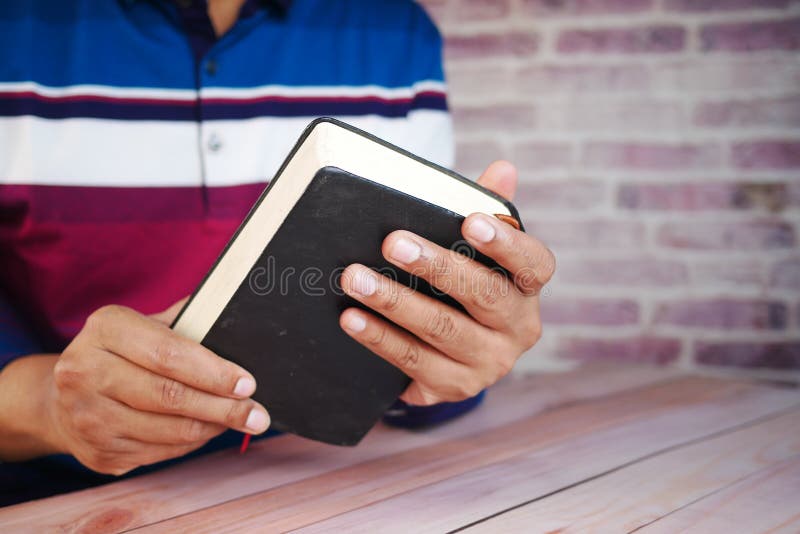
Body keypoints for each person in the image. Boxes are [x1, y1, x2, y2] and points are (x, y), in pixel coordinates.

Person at [0, 0, 555, 503]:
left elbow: (414, 340)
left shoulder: (393, 28)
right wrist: (49, 406)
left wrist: (462, 343)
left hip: (322, 484)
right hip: (64, 500)